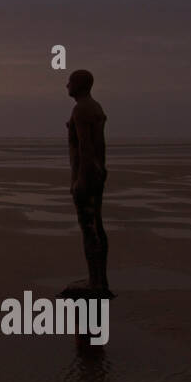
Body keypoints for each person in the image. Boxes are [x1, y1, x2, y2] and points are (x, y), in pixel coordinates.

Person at [63, 69, 113, 299]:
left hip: (87, 175)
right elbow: (98, 146)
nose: (67, 86)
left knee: (89, 229)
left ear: (80, 85)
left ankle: (95, 282)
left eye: (70, 82)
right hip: (96, 172)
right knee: (96, 227)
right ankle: (99, 279)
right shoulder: (95, 107)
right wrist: (100, 170)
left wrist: (81, 179)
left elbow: (86, 147)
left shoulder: (81, 109)